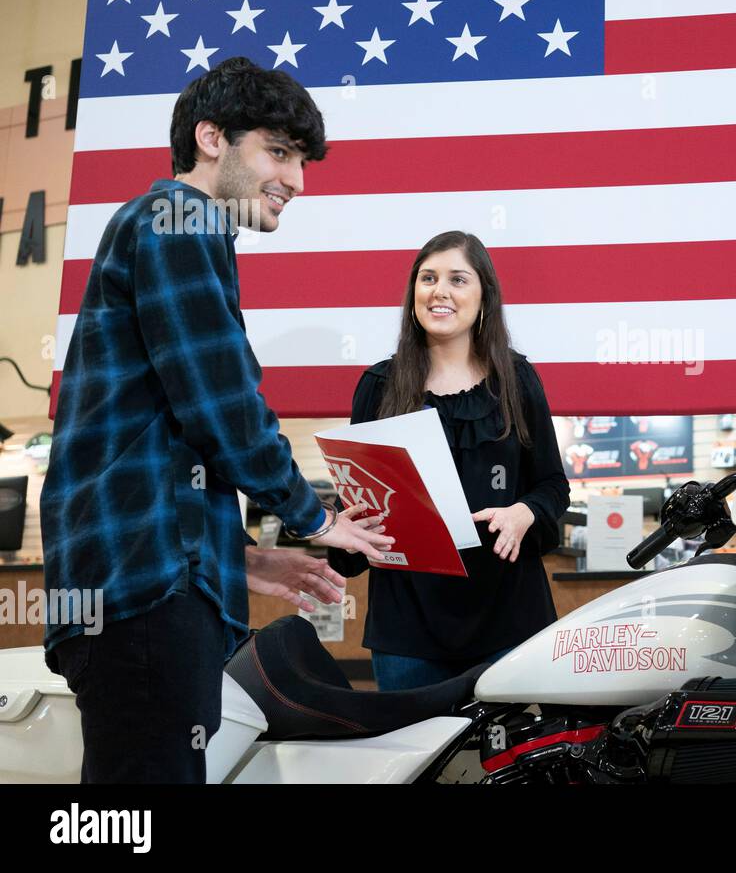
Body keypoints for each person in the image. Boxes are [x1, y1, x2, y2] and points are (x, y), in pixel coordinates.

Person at [40, 56, 392, 783]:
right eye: (279, 152)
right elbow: (220, 403)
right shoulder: (178, 219)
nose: (296, 180)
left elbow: (164, 437)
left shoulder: (172, 230)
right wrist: (315, 518)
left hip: (137, 586)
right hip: (141, 597)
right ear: (211, 138)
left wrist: (246, 557)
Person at [327, 230, 570, 691]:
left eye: (458, 279)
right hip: (407, 623)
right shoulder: (378, 386)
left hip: (509, 613)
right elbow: (358, 508)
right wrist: (354, 528)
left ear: (484, 297)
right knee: (417, 759)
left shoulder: (517, 379)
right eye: (428, 278)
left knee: (508, 763)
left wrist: (524, 512)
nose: (440, 291)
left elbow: (553, 486)